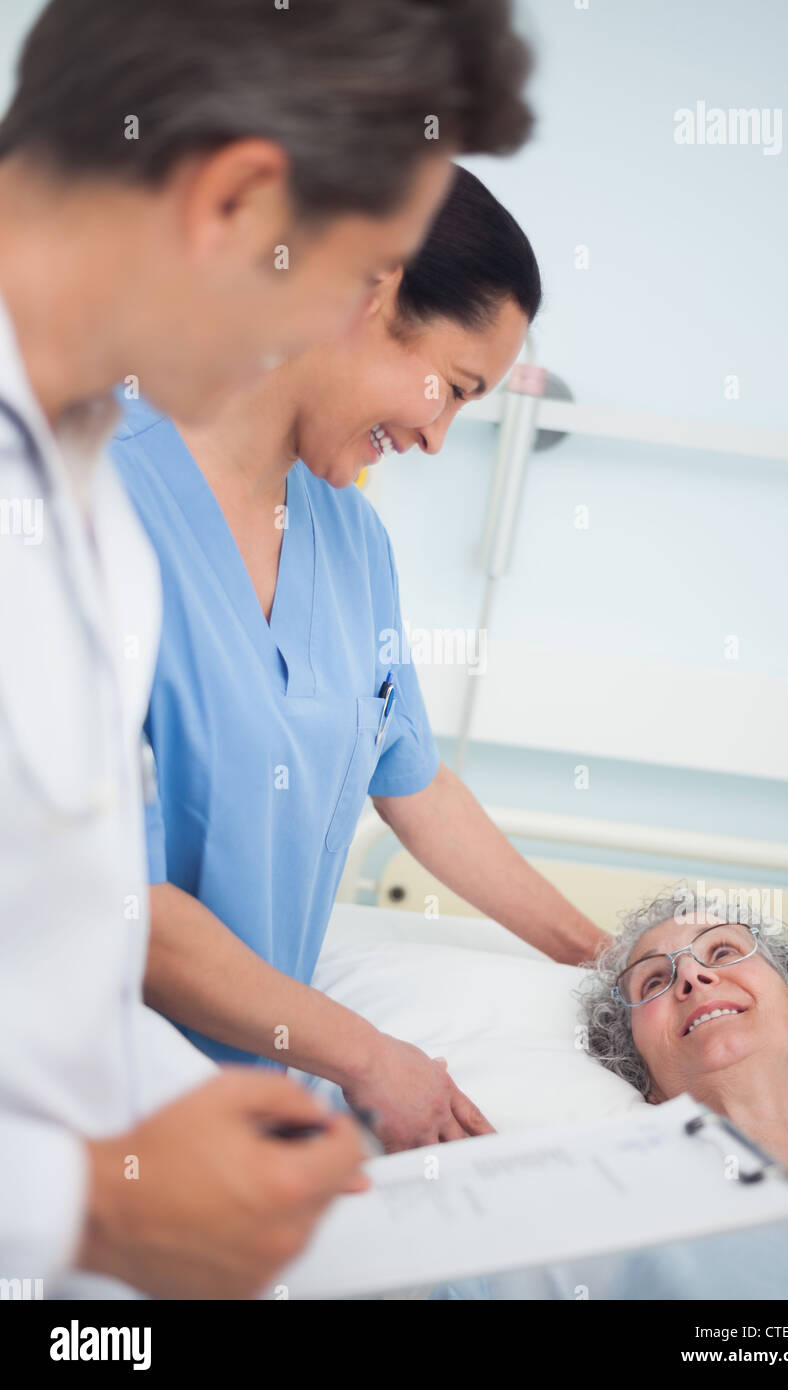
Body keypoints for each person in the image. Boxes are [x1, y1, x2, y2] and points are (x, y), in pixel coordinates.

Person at [0, 0, 533, 1298]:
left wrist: (235, 1152)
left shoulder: (80, 521)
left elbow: (63, 954)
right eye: (362, 272)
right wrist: (83, 1203)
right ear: (239, 203)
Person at [111, 168, 611, 1155]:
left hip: (260, 1095)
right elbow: (115, 898)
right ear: (368, 290)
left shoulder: (350, 541)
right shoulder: (86, 500)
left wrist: (604, 956)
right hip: (87, 1101)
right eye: (451, 388)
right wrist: (367, 1056)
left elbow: (412, 781)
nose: (434, 438)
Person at [433, 886, 788, 1299]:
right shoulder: (582, 1229)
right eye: (654, 982)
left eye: (723, 951)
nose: (692, 974)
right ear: (648, 1083)